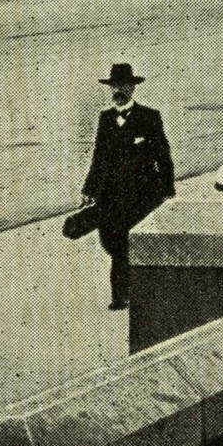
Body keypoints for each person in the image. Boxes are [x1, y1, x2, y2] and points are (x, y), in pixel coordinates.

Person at [80, 62, 175, 311]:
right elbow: (99, 158)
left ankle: (121, 298)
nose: (118, 90)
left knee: (126, 245)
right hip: (111, 195)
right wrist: (89, 189)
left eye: (123, 85)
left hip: (142, 195)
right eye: (114, 86)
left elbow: (163, 155)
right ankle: (126, 294)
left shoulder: (150, 117)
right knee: (112, 243)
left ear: (132, 88)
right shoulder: (105, 119)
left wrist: (168, 191)